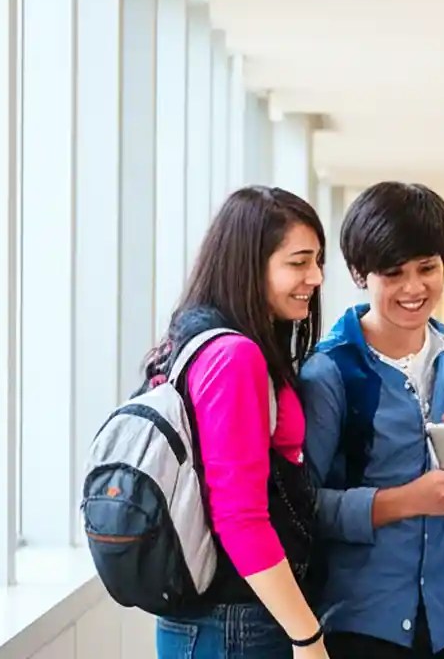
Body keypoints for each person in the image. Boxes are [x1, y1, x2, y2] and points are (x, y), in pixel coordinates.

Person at [300, 182, 444, 659]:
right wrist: (406, 501)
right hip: (359, 621)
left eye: (428, 268)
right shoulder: (328, 371)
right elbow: (300, 506)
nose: (415, 288)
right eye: (393, 273)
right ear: (358, 274)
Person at [149, 186, 329, 659]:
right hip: (234, 622)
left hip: (211, 617)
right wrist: (307, 636)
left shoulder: (188, 337)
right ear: (251, 264)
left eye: (317, 260)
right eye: (298, 262)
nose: (315, 276)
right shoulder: (235, 357)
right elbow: (240, 517)